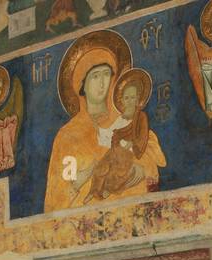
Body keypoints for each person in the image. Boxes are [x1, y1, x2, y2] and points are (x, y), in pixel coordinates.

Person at [43, 31, 164, 212]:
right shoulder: (67, 136)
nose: (102, 83)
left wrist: (143, 169)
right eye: (95, 76)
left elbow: (151, 154)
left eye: (106, 74)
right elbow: (54, 203)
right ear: (81, 85)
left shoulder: (127, 119)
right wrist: (76, 184)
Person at [87, 68, 150, 200]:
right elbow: (112, 132)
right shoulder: (121, 118)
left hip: (129, 151)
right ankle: (94, 191)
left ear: (138, 98)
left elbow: (143, 137)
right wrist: (98, 130)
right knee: (101, 166)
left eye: (132, 97)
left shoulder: (141, 117)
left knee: (117, 171)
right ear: (122, 100)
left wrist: (131, 144)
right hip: (116, 150)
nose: (129, 101)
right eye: (126, 98)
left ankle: (109, 189)